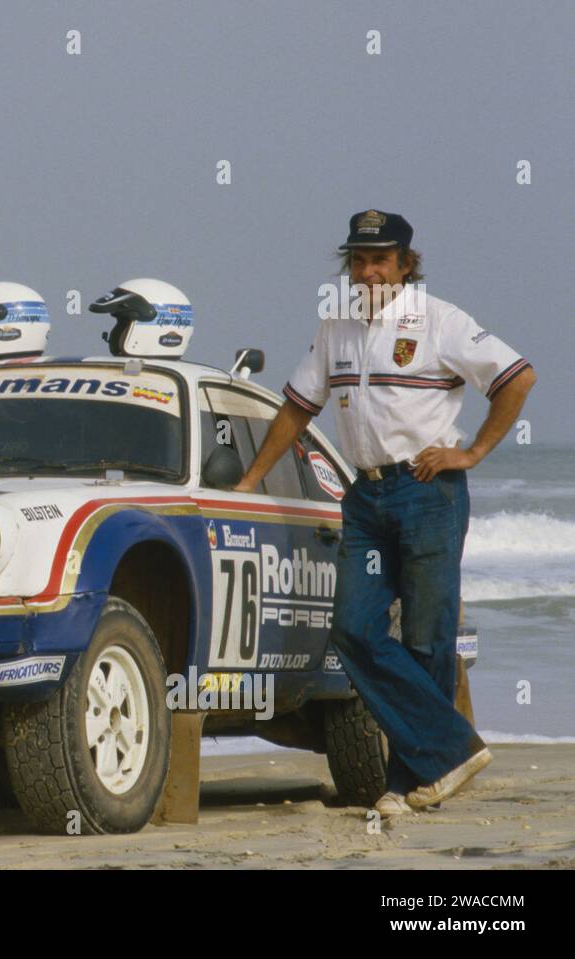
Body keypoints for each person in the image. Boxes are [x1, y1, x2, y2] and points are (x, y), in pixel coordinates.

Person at [234, 210, 535, 818]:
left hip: (428, 493)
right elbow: (297, 409)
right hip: (366, 498)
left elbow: (517, 377)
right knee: (354, 629)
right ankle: (453, 749)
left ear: (404, 265)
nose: (369, 270)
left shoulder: (440, 322)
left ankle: (407, 783)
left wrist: (470, 451)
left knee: (427, 637)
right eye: (359, 260)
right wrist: (250, 479)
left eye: (381, 260)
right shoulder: (335, 329)